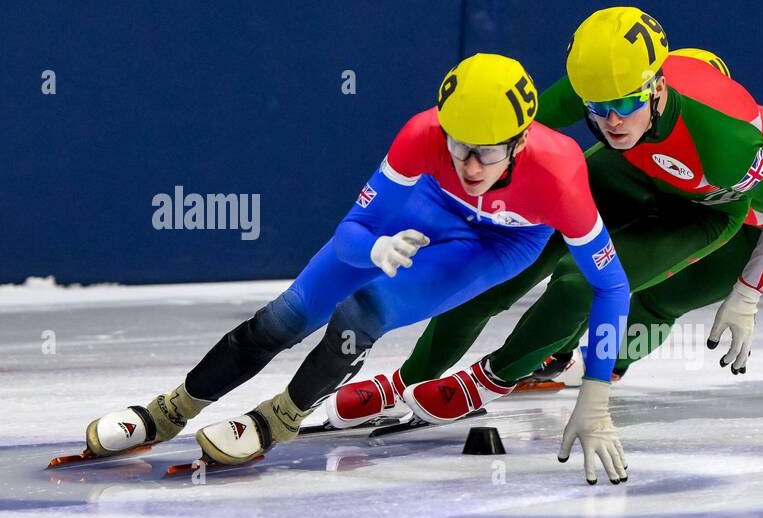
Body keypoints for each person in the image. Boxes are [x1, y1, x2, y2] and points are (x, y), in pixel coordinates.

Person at [326, 10, 763, 435]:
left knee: (602, 289)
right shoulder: (599, 86)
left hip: (730, 211)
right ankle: (408, 378)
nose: (610, 120)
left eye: (624, 106)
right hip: (640, 175)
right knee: (508, 257)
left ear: (659, 88)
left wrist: (749, 291)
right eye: (597, 109)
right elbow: (511, 129)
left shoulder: (727, 144)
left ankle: (495, 376)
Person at [78, 53, 633, 481]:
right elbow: (350, 232)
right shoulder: (422, 136)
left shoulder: (559, 176)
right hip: (431, 209)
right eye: (458, 145)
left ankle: (281, 417)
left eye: (486, 153)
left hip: (499, 240)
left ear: (518, 144)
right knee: (284, 315)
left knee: (365, 310)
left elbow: (611, 284)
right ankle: (171, 409)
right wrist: (371, 250)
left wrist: (597, 394)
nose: (468, 165)